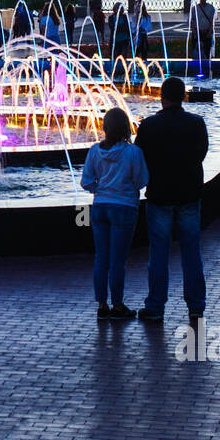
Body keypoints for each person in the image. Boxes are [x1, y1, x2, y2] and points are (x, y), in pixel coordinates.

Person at [135, 76, 208, 321]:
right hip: (189, 195)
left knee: (158, 253)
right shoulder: (197, 123)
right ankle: (196, 306)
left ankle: (155, 306)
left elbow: (139, 158)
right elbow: (201, 154)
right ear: (183, 97)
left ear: (161, 97)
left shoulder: (148, 126)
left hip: (159, 197)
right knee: (191, 252)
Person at [81, 107, 148, 320]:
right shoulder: (133, 152)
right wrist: (125, 188)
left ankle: (102, 306)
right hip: (125, 208)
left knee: (101, 257)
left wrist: (100, 189)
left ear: (105, 127)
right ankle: (118, 306)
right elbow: (142, 180)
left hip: (100, 207)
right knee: (118, 260)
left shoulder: (94, 151)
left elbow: (86, 182)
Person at [190, 0, 216, 78]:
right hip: (197, 32)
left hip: (207, 33)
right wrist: (194, 33)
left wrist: (209, 32)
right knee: (195, 51)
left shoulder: (211, 8)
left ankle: (207, 70)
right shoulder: (195, 8)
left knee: (207, 51)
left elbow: (212, 21)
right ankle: (195, 70)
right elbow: (192, 21)